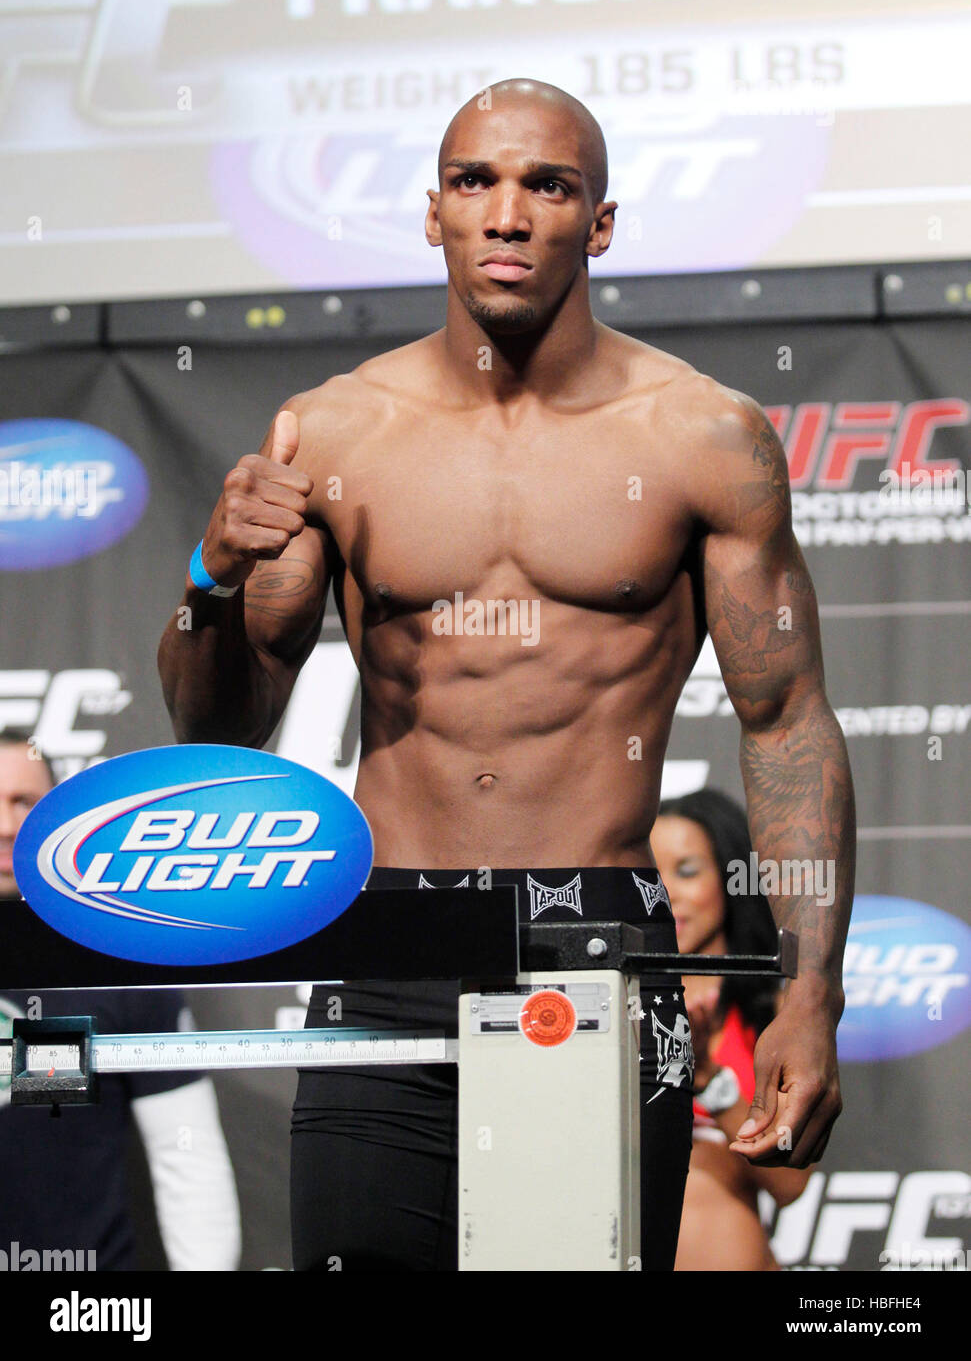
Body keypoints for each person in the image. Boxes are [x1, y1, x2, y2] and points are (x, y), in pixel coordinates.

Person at [158, 77, 855, 1271]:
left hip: (590, 953)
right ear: (430, 212)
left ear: (601, 222)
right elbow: (221, 722)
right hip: (383, 946)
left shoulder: (700, 436)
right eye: (475, 181)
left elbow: (784, 721)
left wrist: (809, 993)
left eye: (549, 184)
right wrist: (209, 578)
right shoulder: (330, 432)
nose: (508, 212)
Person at [0, 727, 241, 1271]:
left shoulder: (112, 967)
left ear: (55, 825)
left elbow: (188, 1155)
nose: (7, 826)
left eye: (25, 803)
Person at [650, 788, 813, 1270]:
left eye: (686, 870)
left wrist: (707, 1080)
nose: (665, 892)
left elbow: (790, 1183)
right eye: (650, 874)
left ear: (729, 878)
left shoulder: (778, 1009)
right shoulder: (609, 1005)